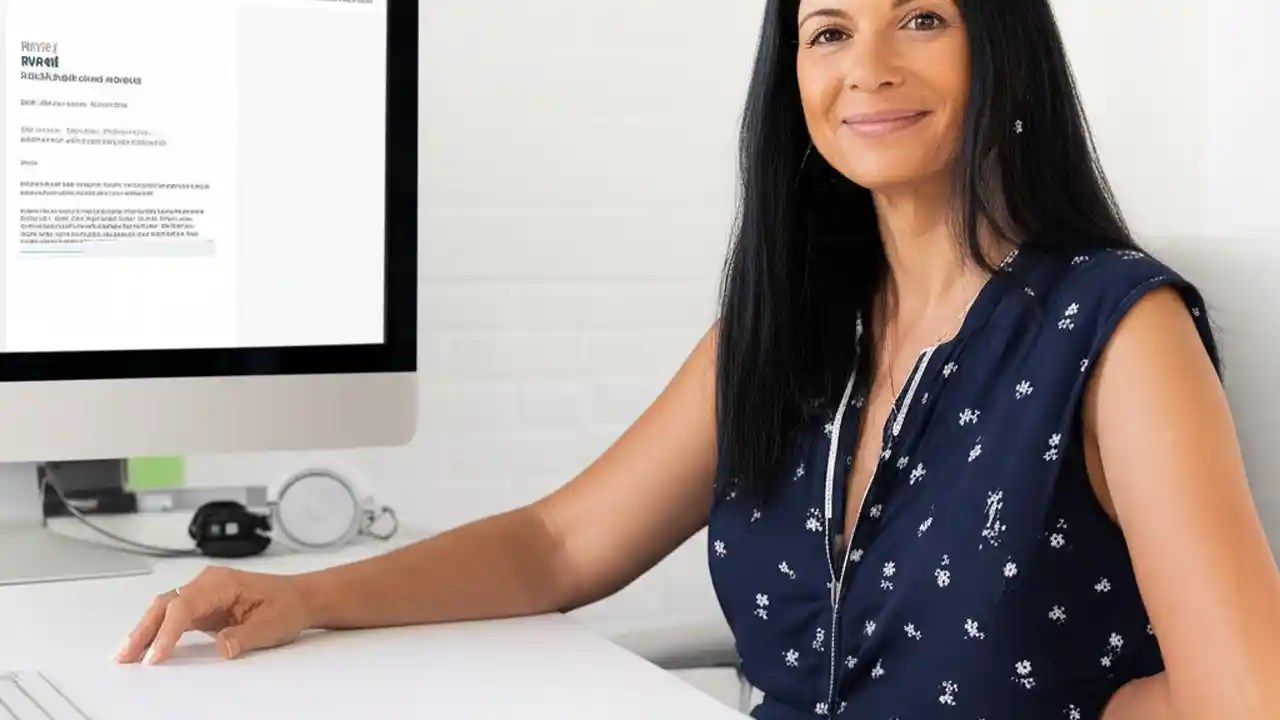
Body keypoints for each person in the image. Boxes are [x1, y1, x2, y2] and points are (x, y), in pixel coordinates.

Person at [115, 0, 1280, 717]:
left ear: (1003, 53)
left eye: (919, 17)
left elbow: (1243, 700)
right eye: (827, 31)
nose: (865, 65)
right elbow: (557, 544)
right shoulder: (792, 328)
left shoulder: (1115, 331)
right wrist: (307, 596)